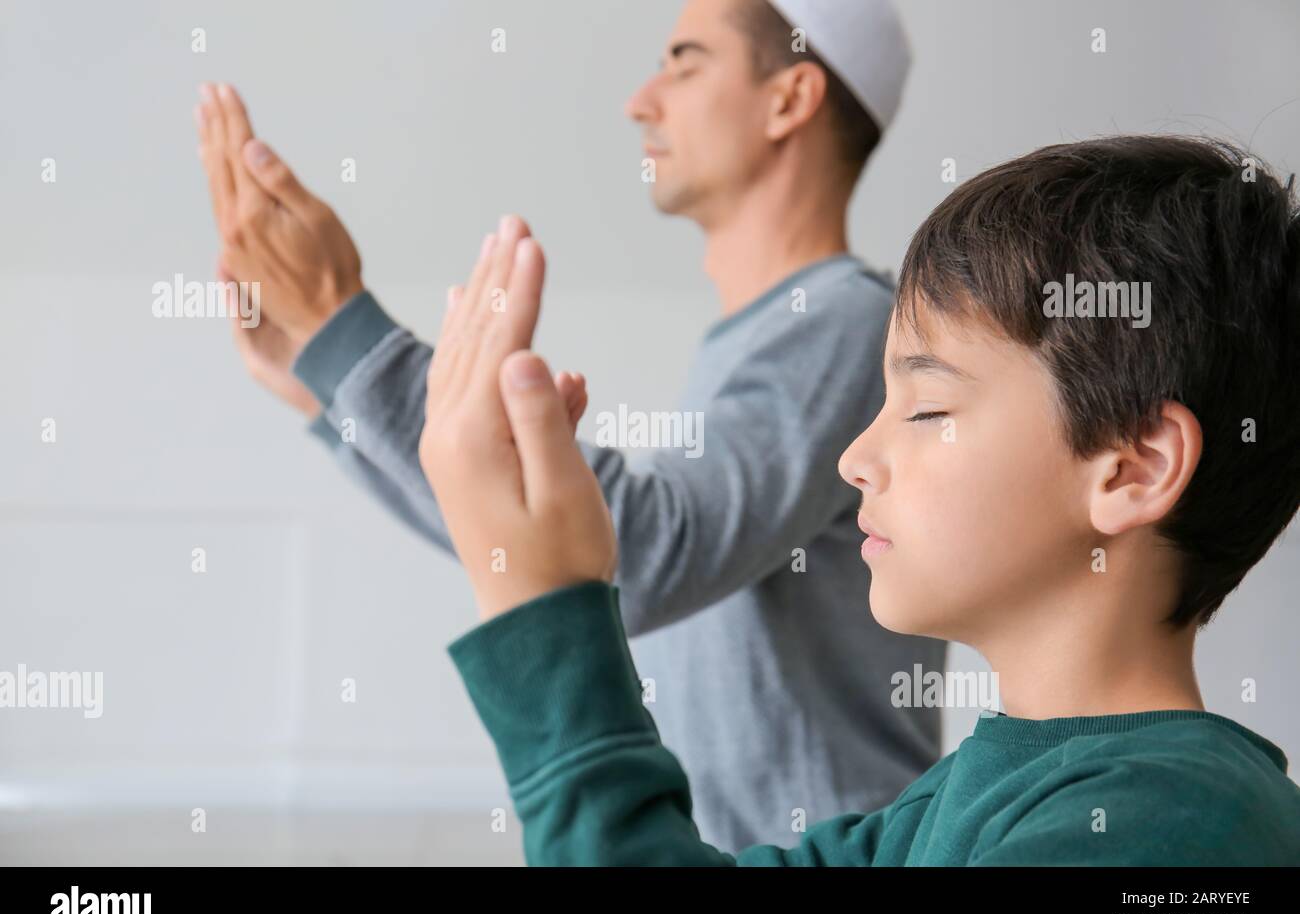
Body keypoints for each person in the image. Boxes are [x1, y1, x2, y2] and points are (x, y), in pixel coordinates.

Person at [420, 135, 1300, 864]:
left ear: (1133, 467)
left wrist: (544, 604)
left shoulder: (1176, 830)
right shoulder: (930, 814)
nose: (855, 459)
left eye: (925, 407)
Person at [195, 0, 943, 850]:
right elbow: (538, 545)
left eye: (685, 61)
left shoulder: (844, 319)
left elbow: (647, 555)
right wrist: (333, 399)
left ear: (789, 98)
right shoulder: (768, 340)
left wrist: (348, 338)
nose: (640, 100)